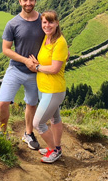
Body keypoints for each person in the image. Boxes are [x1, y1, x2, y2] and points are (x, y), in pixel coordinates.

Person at [0, 0, 43, 151]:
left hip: (35, 73)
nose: (28, 3)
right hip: (16, 70)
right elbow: (6, 49)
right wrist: (26, 61)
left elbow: (54, 39)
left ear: (35, 0)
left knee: (31, 104)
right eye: (25, 0)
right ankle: (3, 134)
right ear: (20, 2)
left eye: (31, 0)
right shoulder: (12, 24)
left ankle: (28, 134)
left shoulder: (43, 21)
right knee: (3, 103)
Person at [28, 10, 68, 164]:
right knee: (55, 118)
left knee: (37, 123)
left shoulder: (60, 42)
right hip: (44, 89)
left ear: (57, 23)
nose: (47, 25)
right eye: (44, 22)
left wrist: (37, 68)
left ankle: (54, 150)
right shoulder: (47, 38)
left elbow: (54, 69)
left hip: (53, 90)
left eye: (50, 22)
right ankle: (55, 147)